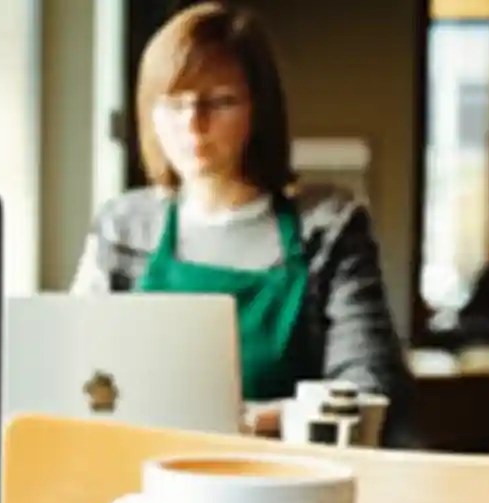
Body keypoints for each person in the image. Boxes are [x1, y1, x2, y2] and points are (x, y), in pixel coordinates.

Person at [70, 1, 411, 443]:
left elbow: (369, 390)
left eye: (220, 102)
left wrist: (248, 421)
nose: (194, 124)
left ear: (259, 110)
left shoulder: (328, 227)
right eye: (173, 104)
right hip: (143, 478)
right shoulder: (123, 227)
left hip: (286, 488)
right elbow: (75, 370)